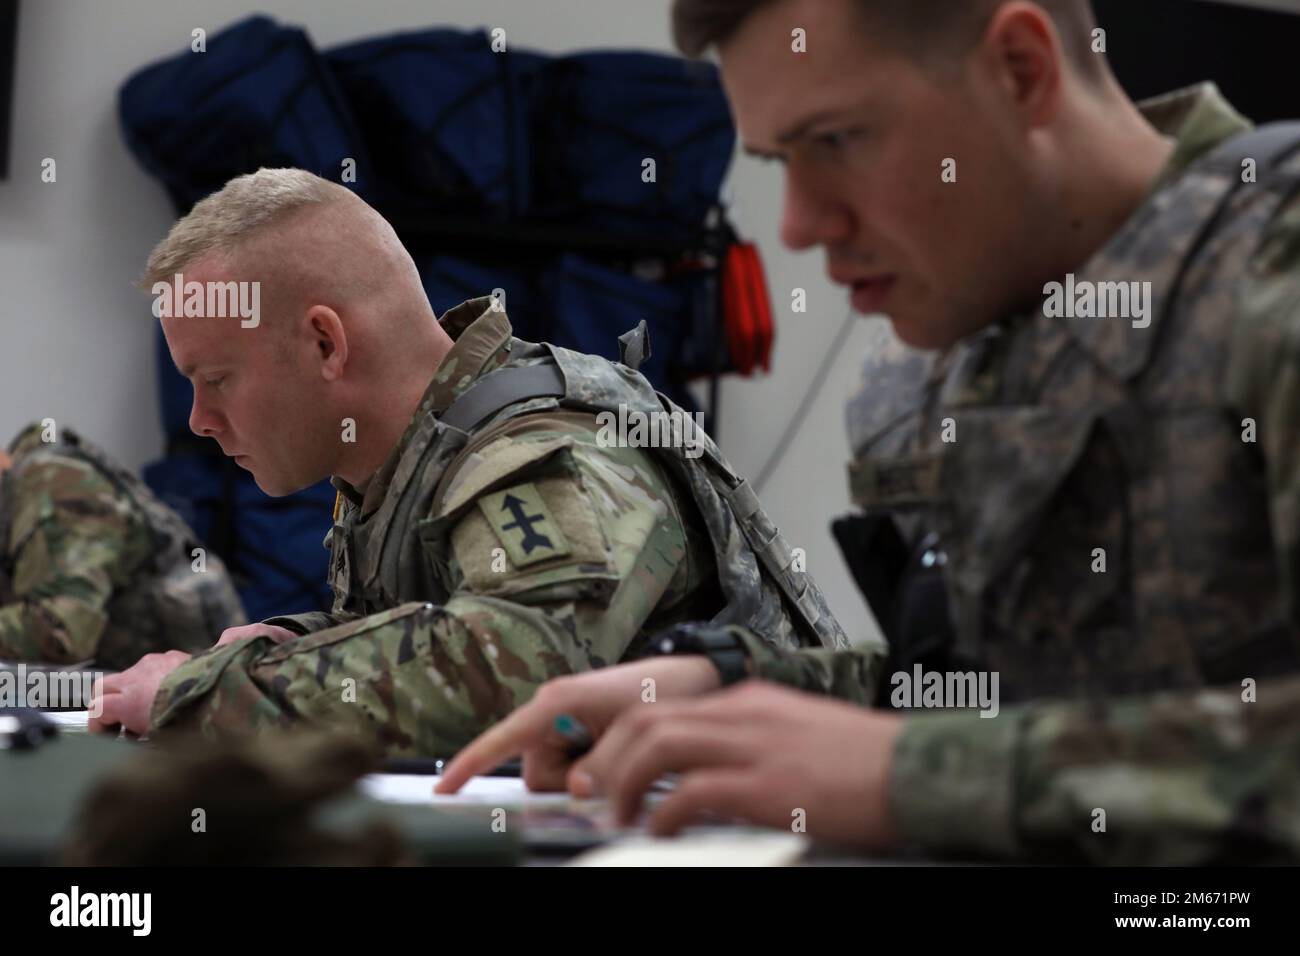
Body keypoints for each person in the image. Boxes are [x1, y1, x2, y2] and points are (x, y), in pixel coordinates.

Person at [438, 0, 1300, 864]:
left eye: (839, 140)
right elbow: (1003, 697)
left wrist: (915, 776)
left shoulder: (1272, 274)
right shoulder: (955, 344)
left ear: (1022, 71)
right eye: (781, 161)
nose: (799, 226)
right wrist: (723, 685)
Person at [88, 167, 849, 755]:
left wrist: (206, 692)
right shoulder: (416, 453)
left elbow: (525, 670)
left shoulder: (546, 450)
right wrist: (304, 643)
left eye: (216, 380)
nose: (199, 421)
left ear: (325, 343)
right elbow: (455, 626)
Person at [0, 421, 245, 671]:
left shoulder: (53, 484)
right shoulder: (16, 495)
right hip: (133, 678)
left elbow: (62, 632)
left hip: (196, 680)